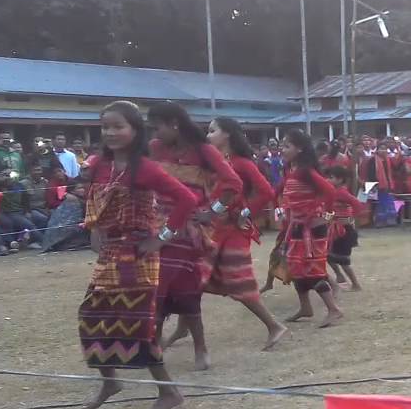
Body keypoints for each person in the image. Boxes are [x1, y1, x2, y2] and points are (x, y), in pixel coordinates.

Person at [80, 101, 197, 409]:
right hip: (109, 254)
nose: (111, 132)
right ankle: (110, 381)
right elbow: (97, 207)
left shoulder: (146, 168)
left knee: (138, 325)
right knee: (92, 317)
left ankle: (168, 391)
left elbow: (188, 200)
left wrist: (161, 239)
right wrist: (95, 231)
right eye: (106, 126)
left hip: (138, 256)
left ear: (135, 130)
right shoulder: (102, 167)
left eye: (118, 126)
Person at [147, 102, 242, 372]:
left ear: (174, 124)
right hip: (155, 227)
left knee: (173, 288)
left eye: (158, 127)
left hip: (187, 231)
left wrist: (212, 212)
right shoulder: (155, 148)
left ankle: (196, 348)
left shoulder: (204, 151)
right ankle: (156, 347)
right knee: (162, 288)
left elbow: (234, 184)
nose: (155, 133)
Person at [189, 117, 288, 352]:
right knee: (195, 278)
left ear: (228, 135)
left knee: (238, 282)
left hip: (233, 231)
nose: (208, 135)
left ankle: (274, 325)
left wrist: (246, 212)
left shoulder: (241, 163)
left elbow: (266, 192)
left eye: (213, 131)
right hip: (213, 229)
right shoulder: (213, 161)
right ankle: (184, 328)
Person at [277, 130, 345, 327]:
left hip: (312, 228)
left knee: (311, 269)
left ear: (299, 149)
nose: (282, 149)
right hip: (297, 224)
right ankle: (305, 307)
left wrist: (327, 216)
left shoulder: (306, 171)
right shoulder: (293, 168)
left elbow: (330, 191)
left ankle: (334, 309)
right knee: (296, 267)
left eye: (286, 146)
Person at [324, 165, 367, 290]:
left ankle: (355, 284)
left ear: (340, 179)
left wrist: (350, 218)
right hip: (333, 229)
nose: (328, 180)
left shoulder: (342, 192)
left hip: (344, 231)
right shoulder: (331, 191)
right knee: (327, 255)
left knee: (343, 260)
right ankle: (339, 276)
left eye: (331, 177)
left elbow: (357, 205)